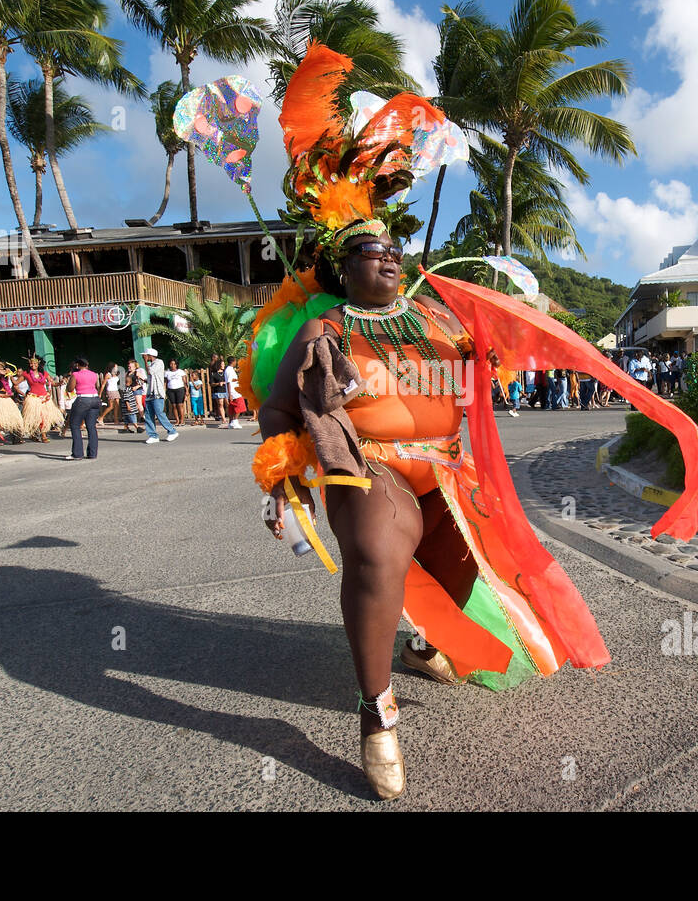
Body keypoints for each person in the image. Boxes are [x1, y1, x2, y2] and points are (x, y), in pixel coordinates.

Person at [241, 44, 659, 801]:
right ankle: (376, 714)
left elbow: (484, 363)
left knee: (461, 573)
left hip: (448, 469)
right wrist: (280, 476)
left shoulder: (436, 312)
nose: (391, 259)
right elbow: (278, 409)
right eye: (373, 251)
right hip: (366, 464)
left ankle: (424, 640)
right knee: (376, 554)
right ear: (341, 264)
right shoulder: (322, 327)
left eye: (395, 249)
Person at [63, 357, 102, 461]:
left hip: (82, 399)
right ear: (87, 365)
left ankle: (77, 453)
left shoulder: (75, 375)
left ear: (77, 365)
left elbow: (70, 389)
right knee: (91, 426)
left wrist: (70, 380)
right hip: (95, 399)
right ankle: (92, 453)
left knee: (75, 425)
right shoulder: (94, 374)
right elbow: (95, 386)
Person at [139, 347, 178, 444]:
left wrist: (145, 362)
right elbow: (150, 377)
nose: (144, 357)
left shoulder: (159, 362)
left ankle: (172, 431)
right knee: (148, 415)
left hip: (157, 393)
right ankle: (153, 435)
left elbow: (150, 372)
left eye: (146, 355)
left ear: (150, 355)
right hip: (150, 393)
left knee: (159, 413)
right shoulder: (151, 364)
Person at [19, 356, 63, 442]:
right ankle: (33, 433)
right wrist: (10, 377)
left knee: (44, 417)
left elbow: (53, 383)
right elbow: (16, 384)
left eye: (35, 363)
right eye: (31, 363)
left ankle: (43, 435)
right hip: (33, 398)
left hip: (44, 398)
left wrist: (60, 383)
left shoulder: (44, 373)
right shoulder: (26, 374)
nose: (33, 365)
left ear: (38, 363)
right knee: (35, 417)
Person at [119, 361, 144, 433]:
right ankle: (128, 426)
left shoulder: (137, 373)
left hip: (136, 389)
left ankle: (142, 417)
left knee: (138, 403)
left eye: (130, 366)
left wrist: (137, 387)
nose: (129, 367)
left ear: (135, 366)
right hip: (129, 390)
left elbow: (142, 381)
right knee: (131, 405)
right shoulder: (127, 373)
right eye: (128, 366)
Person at [223, 355, 245, 429]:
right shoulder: (229, 370)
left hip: (233, 391)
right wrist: (230, 394)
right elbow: (229, 382)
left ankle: (231, 422)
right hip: (233, 392)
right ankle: (235, 421)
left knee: (232, 407)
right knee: (240, 406)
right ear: (233, 361)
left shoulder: (230, 369)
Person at [164, 359, 187, 426]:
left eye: (174, 364)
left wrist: (187, 390)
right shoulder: (167, 372)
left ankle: (182, 420)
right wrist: (165, 390)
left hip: (180, 389)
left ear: (176, 365)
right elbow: (165, 382)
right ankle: (177, 420)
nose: (173, 365)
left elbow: (185, 382)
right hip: (171, 390)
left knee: (180, 405)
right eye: (171, 364)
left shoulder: (180, 372)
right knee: (174, 405)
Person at [208, 355, 226, 425]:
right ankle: (223, 419)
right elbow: (211, 384)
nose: (223, 365)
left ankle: (230, 418)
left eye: (224, 364)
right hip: (218, 391)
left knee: (227, 404)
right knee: (220, 404)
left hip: (225, 390)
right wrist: (218, 384)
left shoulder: (225, 373)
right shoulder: (214, 374)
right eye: (222, 364)